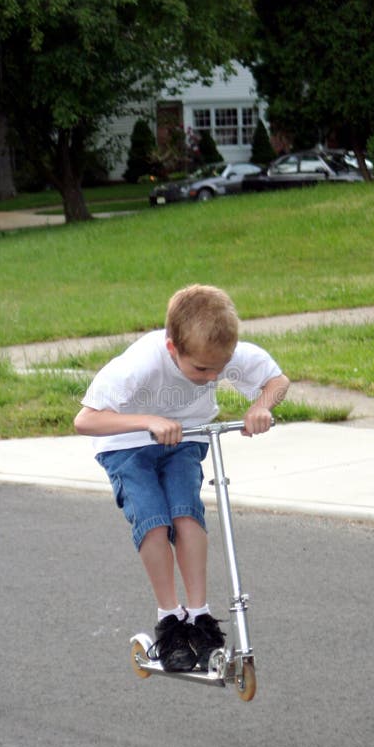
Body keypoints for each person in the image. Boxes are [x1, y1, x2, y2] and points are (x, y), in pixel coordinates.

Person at [74, 284, 290, 672]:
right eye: (202, 370)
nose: (212, 377)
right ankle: (170, 620)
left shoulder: (219, 351)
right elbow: (85, 420)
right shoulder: (142, 362)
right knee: (154, 521)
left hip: (186, 438)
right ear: (173, 348)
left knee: (187, 515)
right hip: (125, 444)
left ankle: (199, 616)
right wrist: (148, 421)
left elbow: (277, 381)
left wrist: (261, 407)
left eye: (220, 369)